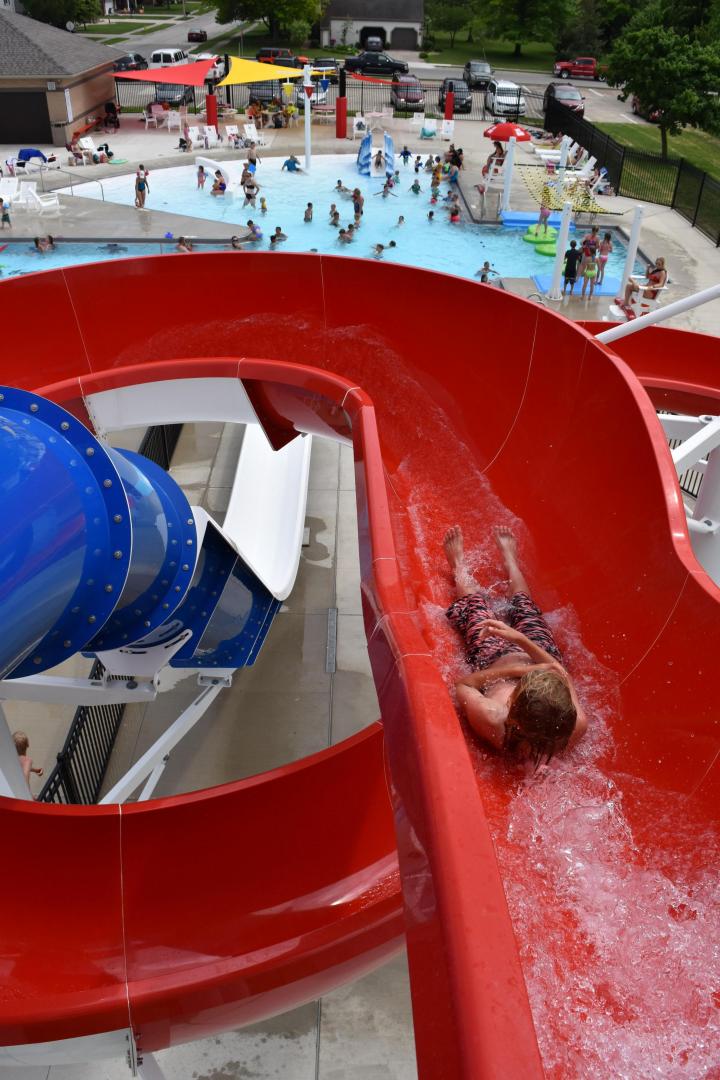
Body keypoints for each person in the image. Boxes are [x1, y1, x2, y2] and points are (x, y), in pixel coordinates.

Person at [444, 525, 587, 765]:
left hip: (493, 658)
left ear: (513, 706)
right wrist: (521, 640)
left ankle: (458, 564)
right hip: (540, 650)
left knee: (475, 607)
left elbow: (464, 685)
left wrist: (520, 671)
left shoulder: (493, 719)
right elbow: (560, 673)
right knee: (525, 607)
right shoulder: (575, 725)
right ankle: (511, 562)